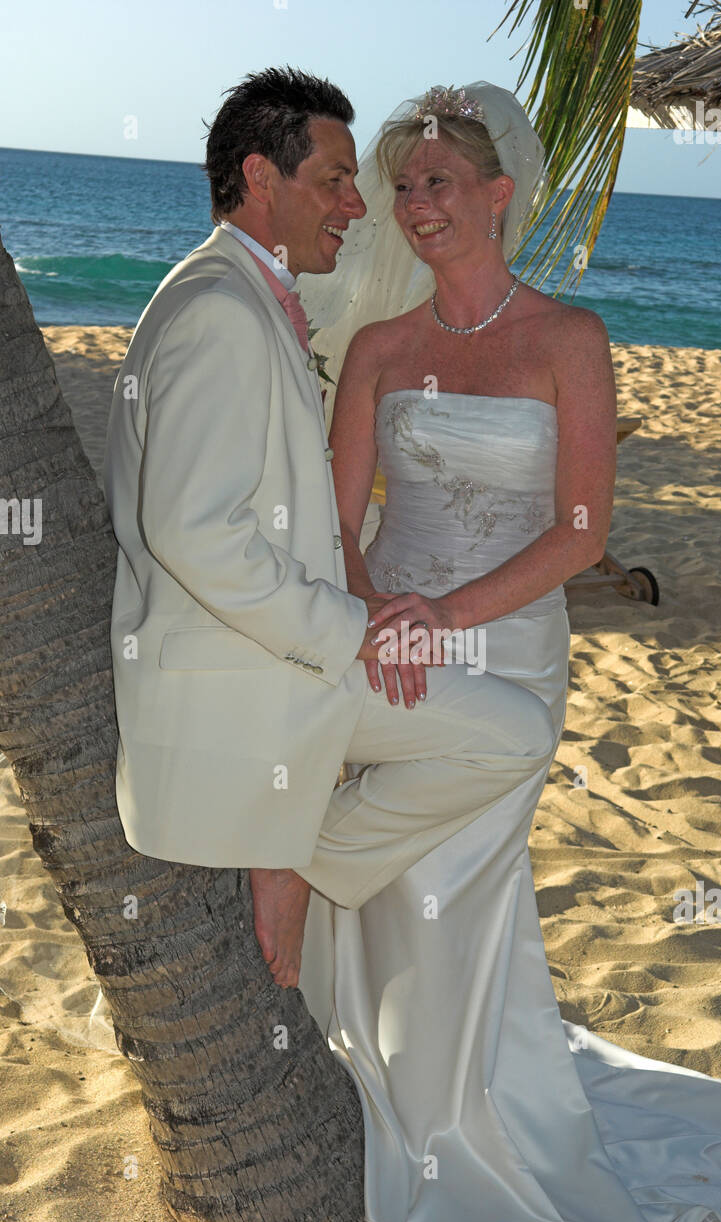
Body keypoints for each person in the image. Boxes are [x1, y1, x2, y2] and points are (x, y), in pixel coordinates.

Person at [295, 81, 721, 1222]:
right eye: (404, 185)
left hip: (510, 643)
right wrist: (385, 613)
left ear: (498, 194)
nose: (416, 203)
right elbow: (337, 526)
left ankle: (460, 1131)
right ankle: (377, 1099)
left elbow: (583, 530)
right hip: (389, 636)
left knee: (457, 891)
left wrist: (451, 615)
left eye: (440, 182)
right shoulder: (381, 348)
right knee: (389, 887)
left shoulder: (569, 341)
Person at [103, 67, 559, 991]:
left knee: (504, 729)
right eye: (335, 180)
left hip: (280, 644)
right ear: (261, 180)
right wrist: (354, 630)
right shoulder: (220, 314)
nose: (360, 206)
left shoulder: (239, 296)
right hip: (252, 674)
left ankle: (305, 850)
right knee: (510, 734)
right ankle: (306, 854)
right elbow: (194, 534)